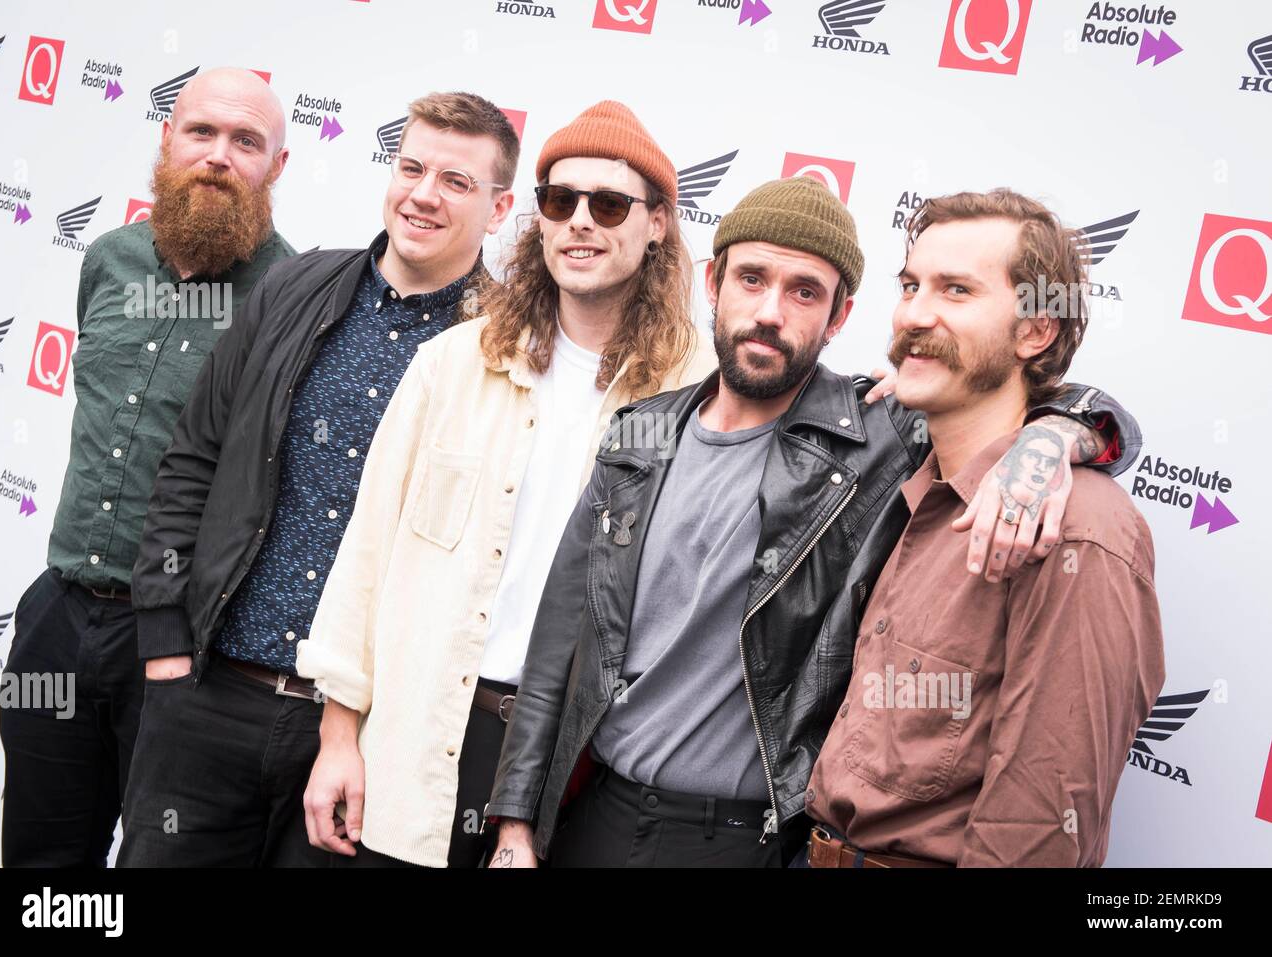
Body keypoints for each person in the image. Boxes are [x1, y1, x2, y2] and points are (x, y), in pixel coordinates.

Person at [484, 176, 1141, 867]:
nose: (770, 311)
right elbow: (561, 632)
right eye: (752, 278)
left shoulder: (878, 434)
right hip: (598, 813)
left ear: (839, 317)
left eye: (803, 292)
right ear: (713, 283)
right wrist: (514, 824)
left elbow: (1019, 390)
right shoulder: (641, 431)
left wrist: (1059, 434)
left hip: (748, 836)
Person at [295, 100, 716, 867]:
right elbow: (366, 555)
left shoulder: (698, 395)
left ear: (657, 223)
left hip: (572, 769)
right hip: (415, 743)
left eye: (610, 203)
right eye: (561, 200)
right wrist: (337, 740)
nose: (581, 221)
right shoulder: (455, 363)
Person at [119, 91, 518, 867]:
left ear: (499, 208)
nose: (423, 194)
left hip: (361, 738)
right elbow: (195, 454)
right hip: (210, 695)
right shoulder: (295, 285)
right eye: (411, 167)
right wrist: (166, 645)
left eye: (457, 182)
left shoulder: (507, 349)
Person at [800, 189, 1165, 868]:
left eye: (956, 290)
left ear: (1035, 331)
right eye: (911, 285)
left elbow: (1039, 822)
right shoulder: (909, 472)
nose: (914, 314)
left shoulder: (1075, 527)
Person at [0, 66, 293, 867]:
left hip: (178, 642)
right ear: (167, 140)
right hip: (58, 618)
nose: (218, 157)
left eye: (246, 142)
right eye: (200, 132)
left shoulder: (288, 300)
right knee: (41, 859)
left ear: (278, 166)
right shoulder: (108, 259)